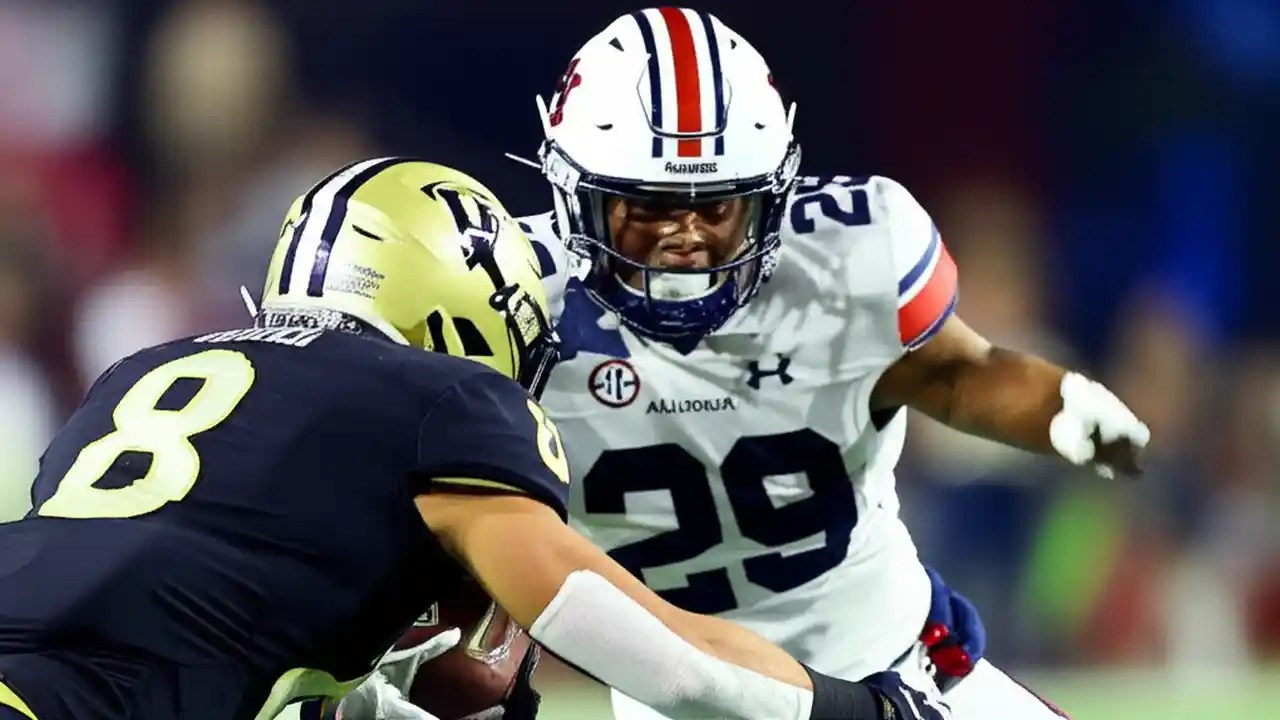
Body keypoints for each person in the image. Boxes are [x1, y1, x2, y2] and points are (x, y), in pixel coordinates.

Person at [0, 159, 944, 720]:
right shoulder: (440, 400)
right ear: (469, 299)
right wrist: (862, 706)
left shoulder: (137, 375)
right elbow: (667, 659)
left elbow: (183, 627)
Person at [514, 8, 1150, 720]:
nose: (684, 240)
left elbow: (954, 376)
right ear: (575, 195)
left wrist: (1060, 406)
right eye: (648, 206)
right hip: (688, 703)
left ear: (770, 196)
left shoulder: (845, 258)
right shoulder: (508, 303)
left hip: (898, 665)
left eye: (716, 206)